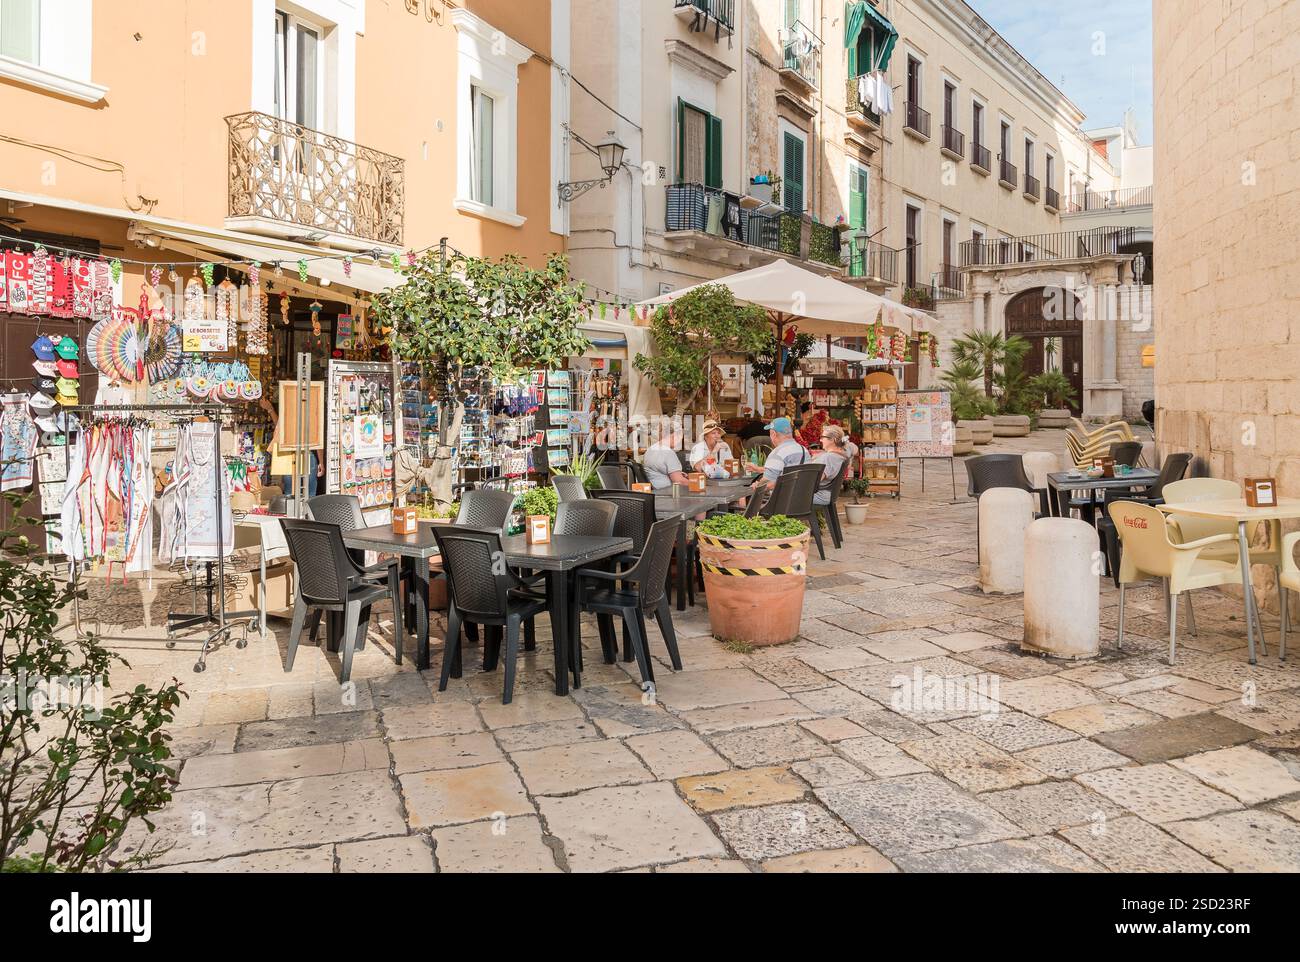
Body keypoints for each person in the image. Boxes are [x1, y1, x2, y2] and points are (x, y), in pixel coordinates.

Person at [747, 417, 808, 490]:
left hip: (782, 499)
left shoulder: (778, 453)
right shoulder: (803, 450)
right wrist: (758, 469)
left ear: (773, 434)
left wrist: (756, 484)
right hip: (802, 497)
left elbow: (767, 484)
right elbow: (785, 470)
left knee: (745, 495)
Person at [642, 419, 689, 490]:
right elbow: (679, 481)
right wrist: (697, 484)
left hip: (655, 491)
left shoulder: (650, 450)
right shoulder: (669, 453)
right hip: (667, 492)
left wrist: (676, 473)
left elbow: (657, 470)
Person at [812, 426, 849, 506]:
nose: (820, 440)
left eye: (823, 437)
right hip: (825, 494)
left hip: (817, 495)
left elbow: (814, 481)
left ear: (832, 440)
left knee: (782, 494)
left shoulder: (829, 457)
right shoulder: (838, 456)